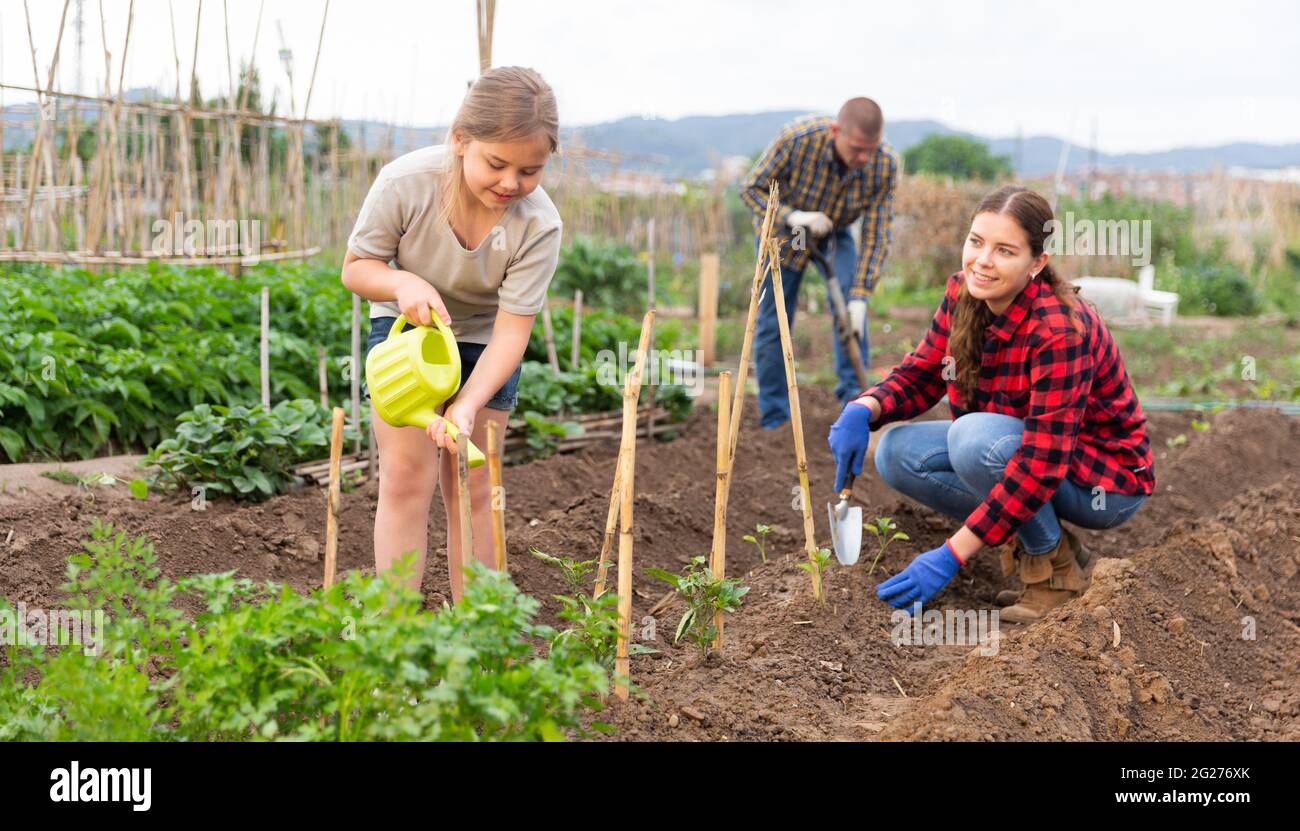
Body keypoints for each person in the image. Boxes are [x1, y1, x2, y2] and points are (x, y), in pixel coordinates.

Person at [827, 185, 1155, 623]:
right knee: (895, 453)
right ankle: (1057, 546)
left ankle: (1051, 575)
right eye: (976, 242)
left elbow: (1041, 464)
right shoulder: (965, 293)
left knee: (974, 440)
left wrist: (951, 554)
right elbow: (926, 372)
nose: (982, 260)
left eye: (1005, 251)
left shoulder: (1059, 330)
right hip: (1014, 450)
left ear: (1037, 263)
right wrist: (865, 408)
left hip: (1102, 482)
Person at [341, 66, 562, 601]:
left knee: (474, 485)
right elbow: (356, 268)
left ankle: (479, 635)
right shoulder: (405, 184)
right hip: (407, 334)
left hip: (485, 342)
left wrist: (466, 405)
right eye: (497, 164)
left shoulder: (538, 225)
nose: (511, 183)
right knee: (404, 478)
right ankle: (397, 634)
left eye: (530, 170)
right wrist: (401, 280)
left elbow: (512, 333)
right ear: (461, 141)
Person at [741, 97, 899, 428]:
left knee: (852, 313)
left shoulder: (884, 165)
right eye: (856, 149)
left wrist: (859, 296)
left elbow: (876, 234)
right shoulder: (797, 139)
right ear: (835, 131)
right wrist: (793, 215)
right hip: (783, 235)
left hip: (833, 231)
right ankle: (775, 418)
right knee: (774, 321)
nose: (863, 159)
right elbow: (751, 189)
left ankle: (855, 407)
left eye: (870, 150)